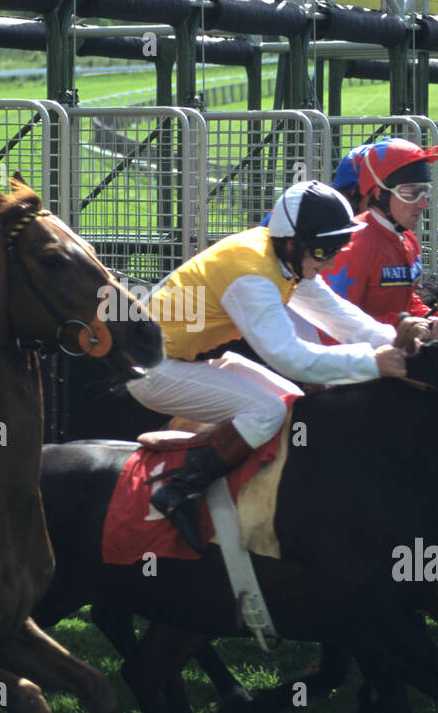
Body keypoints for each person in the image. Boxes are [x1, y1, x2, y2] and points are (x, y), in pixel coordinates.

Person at [127, 181, 407, 551]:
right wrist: (372, 363)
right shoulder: (252, 272)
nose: (333, 261)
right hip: (151, 371)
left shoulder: (283, 255)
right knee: (268, 411)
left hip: (180, 359)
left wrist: (398, 337)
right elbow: (289, 356)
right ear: (293, 242)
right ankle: (179, 490)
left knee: (292, 404)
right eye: (326, 249)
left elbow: (338, 316)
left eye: (338, 248)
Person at [319, 138, 438, 349]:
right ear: (379, 193)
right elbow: (333, 328)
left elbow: (406, 299)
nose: (424, 203)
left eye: (426, 191)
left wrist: (429, 317)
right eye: (411, 192)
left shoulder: (408, 238)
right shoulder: (353, 247)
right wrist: (402, 325)